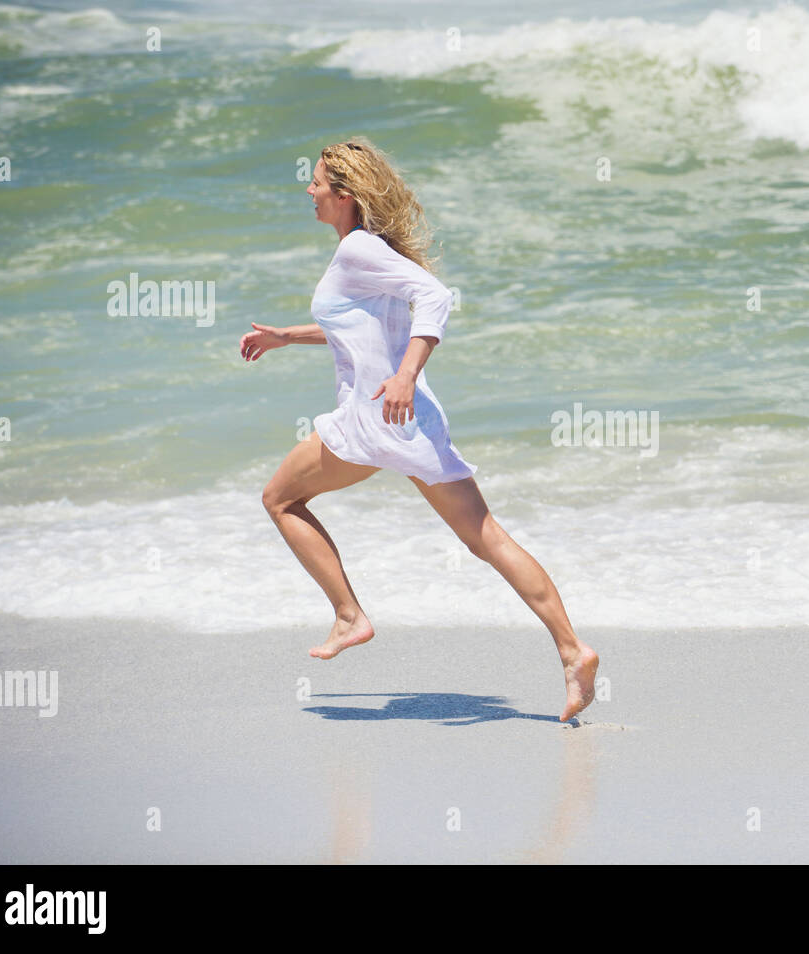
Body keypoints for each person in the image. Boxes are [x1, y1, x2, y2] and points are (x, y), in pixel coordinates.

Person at [239, 137, 597, 722]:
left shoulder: (357, 249)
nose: (309, 189)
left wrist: (406, 373)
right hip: (407, 421)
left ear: (345, 194)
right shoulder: (363, 252)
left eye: (318, 181)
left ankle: (350, 616)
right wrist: (287, 336)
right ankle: (572, 650)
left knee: (280, 499)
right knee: (486, 539)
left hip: (374, 416)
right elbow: (360, 328)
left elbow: (434, 296)